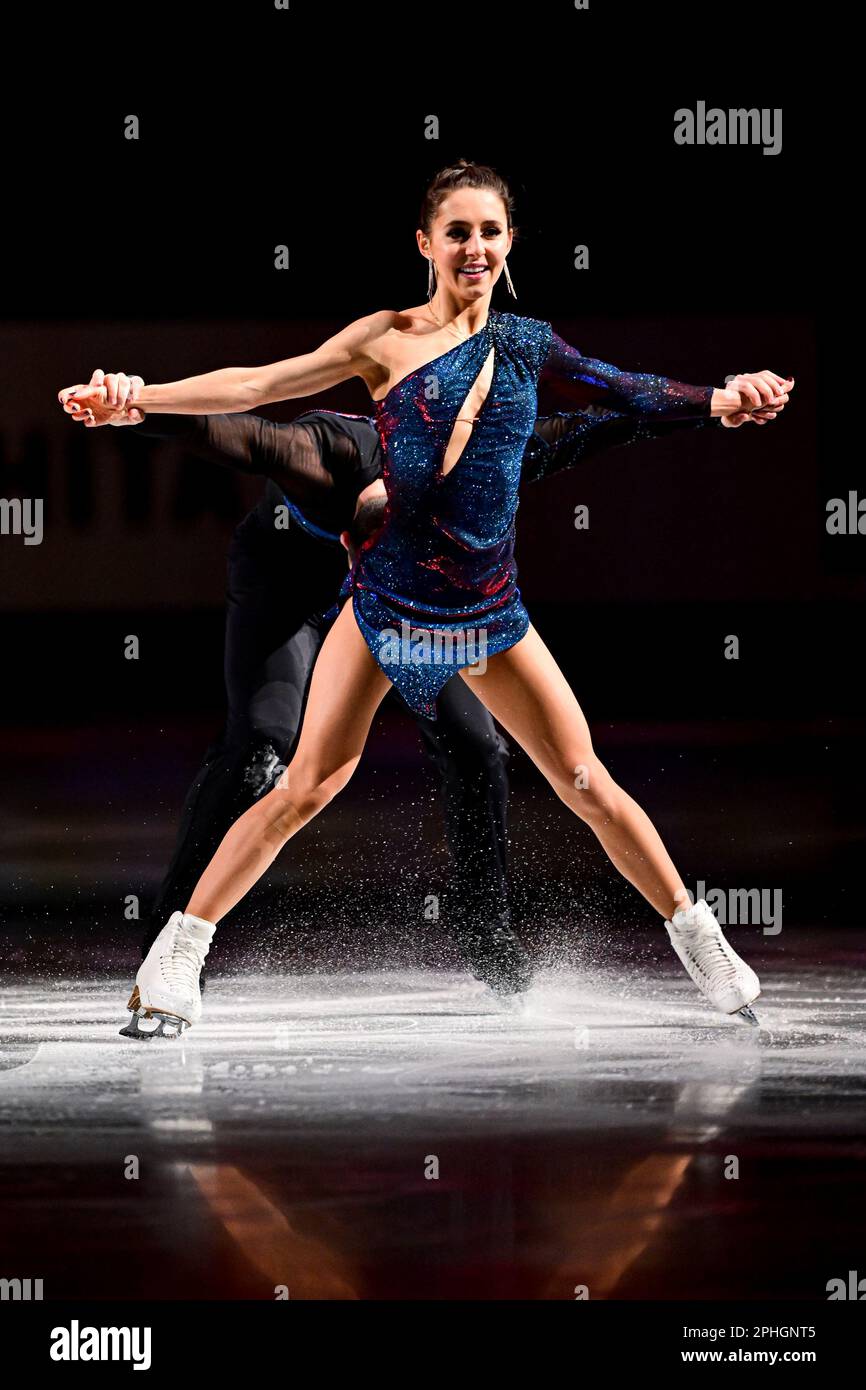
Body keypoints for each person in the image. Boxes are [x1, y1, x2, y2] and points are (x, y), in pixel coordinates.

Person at [59, 159, 793, 1039]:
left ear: (510, 241)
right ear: (426, 244)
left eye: (489, 232)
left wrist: (721, 400)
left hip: (487, 614)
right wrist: (139, 401)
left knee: (585, 779)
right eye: (457, 233)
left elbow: (625, 391)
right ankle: (176, 960)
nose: (474, 247)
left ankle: (705, 949)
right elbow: (260, 387)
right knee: (305, 787)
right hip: (384, 608)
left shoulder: (528, 344)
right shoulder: (386, 338)